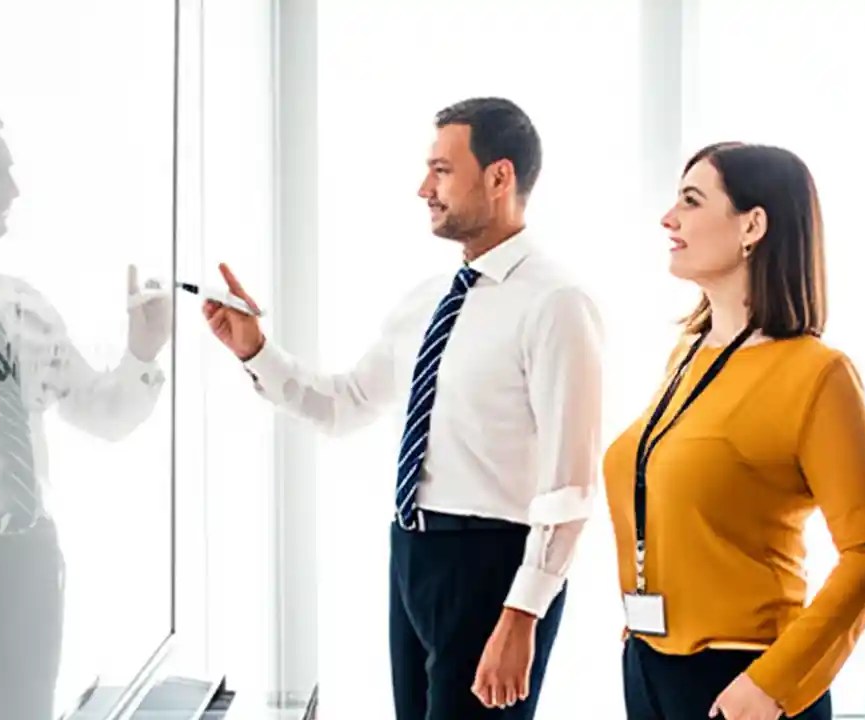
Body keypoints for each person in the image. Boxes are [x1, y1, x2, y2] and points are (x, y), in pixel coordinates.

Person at [204, 97, 603, 720]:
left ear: (499, 177)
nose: (424, 188)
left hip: (492, 564)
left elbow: (570, 484)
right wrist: (256, 350)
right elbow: (346, 405)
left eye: (442, 170)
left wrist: (524, 610)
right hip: (414, 552)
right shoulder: (429, 300)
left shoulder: (556, 302)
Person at [602, 142, 865, 720]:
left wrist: (773, 683)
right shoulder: (687, 356)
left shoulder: (816, 374)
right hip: (650, 664)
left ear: (753, 225)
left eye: (691, 200)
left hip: (742, 683)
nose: (669, 218)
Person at [0, 97, 172, 719]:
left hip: (24, 557)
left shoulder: (21, 304)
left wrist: (141, 352)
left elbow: (102, 416)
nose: (14, 189)